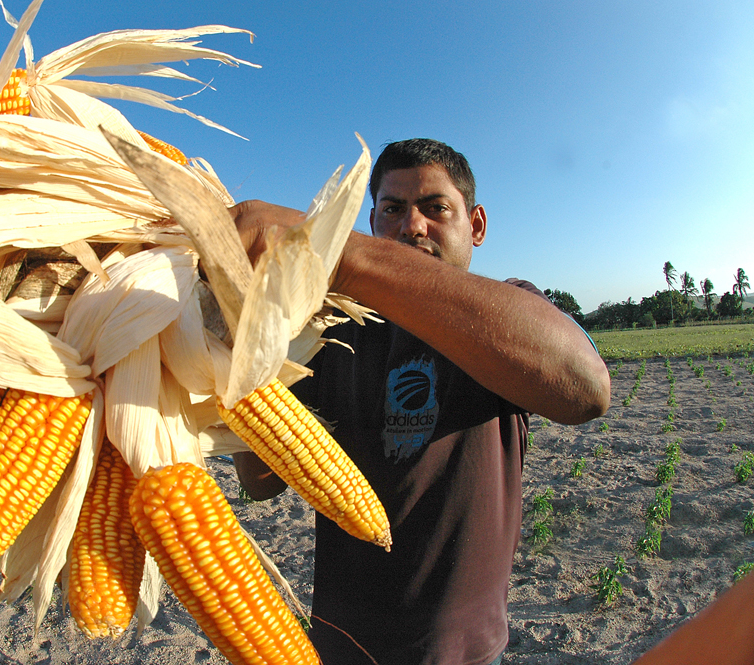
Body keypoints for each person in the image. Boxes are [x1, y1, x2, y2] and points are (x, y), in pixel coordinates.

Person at [230, 138, 611, 665]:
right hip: (341, 646)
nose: (412, 226)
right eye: (392, 210)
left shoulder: (504, 314)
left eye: (436, 208)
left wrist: (334, 253)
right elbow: (259, 482)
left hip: (463, 652)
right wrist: (242, 333)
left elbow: (586, 389)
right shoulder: (326, 335)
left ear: (476, 225)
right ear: (371, 223)